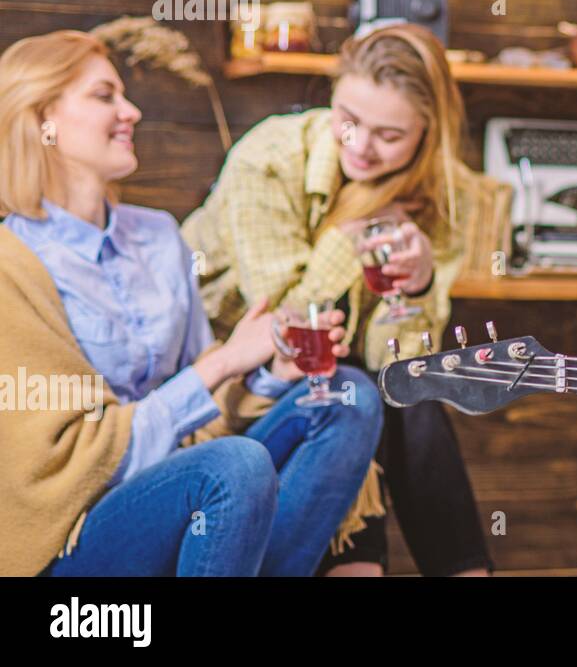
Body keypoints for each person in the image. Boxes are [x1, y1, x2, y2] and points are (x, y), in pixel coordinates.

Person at [0, 30, 383, 576]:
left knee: (347, 396)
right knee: (234, 466)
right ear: (44, 121)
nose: (131, 111)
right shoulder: (11, 263)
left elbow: (207, 425)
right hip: (82, 539)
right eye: (104, 95)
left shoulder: (159, 237)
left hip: (196, 491)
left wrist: (267, 376)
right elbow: (53, 466)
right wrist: (222, 362)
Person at [182, 23, 496, 577]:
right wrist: (348, 238)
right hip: (237, 383)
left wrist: (417, 286)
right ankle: (366, 567)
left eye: (390, 135)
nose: (361, 147)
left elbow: (393, 358)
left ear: (428, 131)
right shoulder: (271, 159)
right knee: (342, 382)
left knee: (412, 388)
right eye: (347, 120)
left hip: (348, 375)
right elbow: (282, 331)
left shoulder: (449, 197)